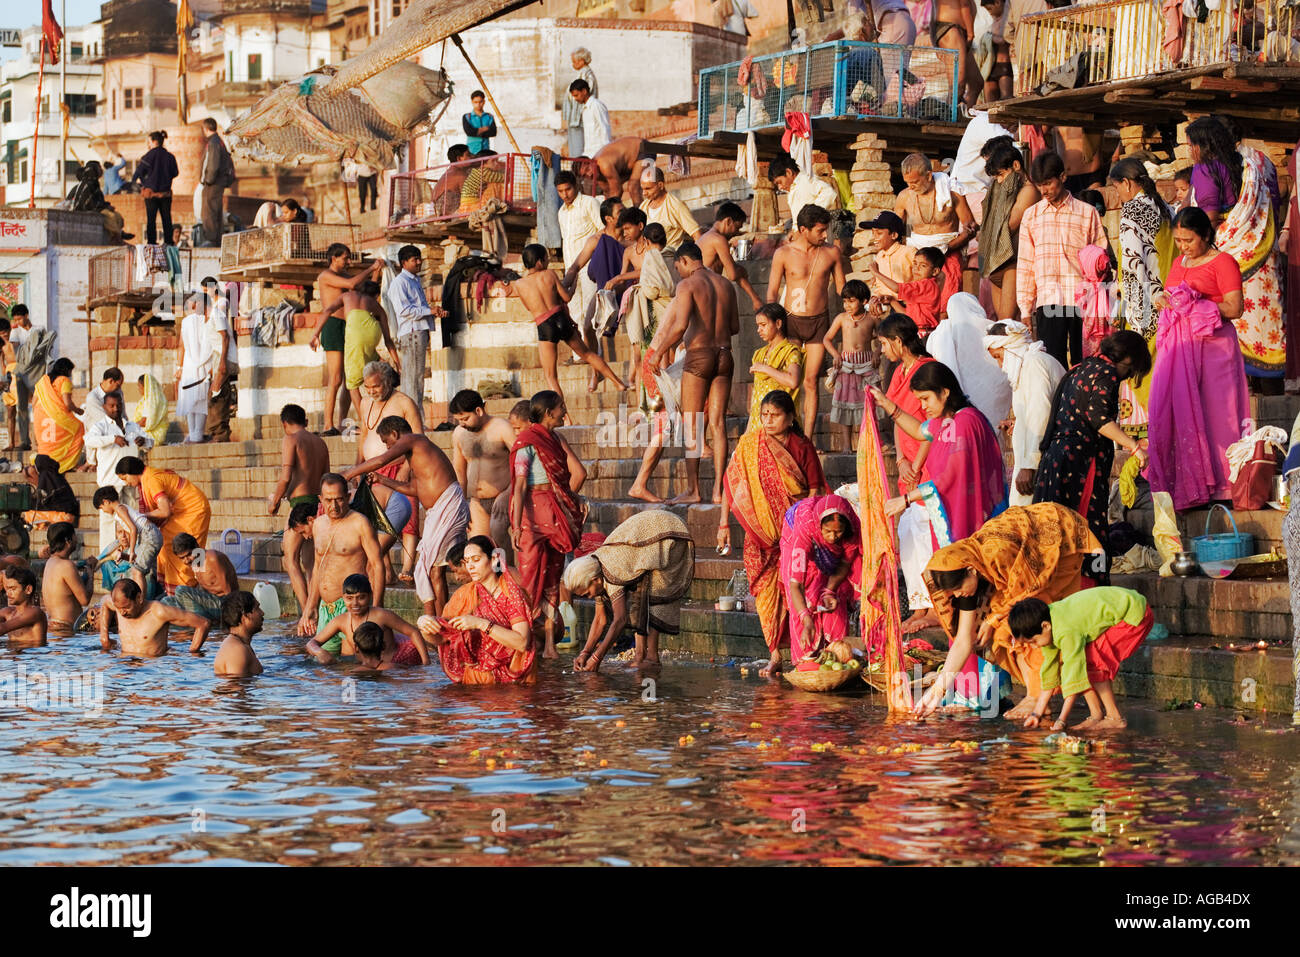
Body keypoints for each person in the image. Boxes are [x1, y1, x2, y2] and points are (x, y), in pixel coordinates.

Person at [917, 502, 1104, 717]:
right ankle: (1038, 693)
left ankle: (1036, 697)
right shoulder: (966, 574)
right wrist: (935, 693)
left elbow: (1031, 588)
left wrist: (994, 619)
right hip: (1019, 569)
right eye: (953, 594)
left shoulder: (997, 552)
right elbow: (963, 640)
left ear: (971, 570)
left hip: (1053, 541)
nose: (958, 596)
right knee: (997, 633)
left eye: (958, 590)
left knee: (1020, 622)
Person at [1146, 207, 1252, 512]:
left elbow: (1235, 307)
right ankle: (1193, 485)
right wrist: (1166, 301)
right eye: (1179, 240)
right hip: (1183, 350)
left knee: (1221, 415)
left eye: (1188, 240)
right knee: (1187, 415)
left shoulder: (1223, 262)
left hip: (1216, 349)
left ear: (1206, 235)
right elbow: (1170, 296)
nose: (1182, 246)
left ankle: (1227, 486)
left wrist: (1198, 303)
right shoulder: (1179, 262)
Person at [718, 390, 827, 677]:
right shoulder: (748, 446)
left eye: (775, 415)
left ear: (790, 418)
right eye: (764, 414)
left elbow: (815, 491)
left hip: (796, 534)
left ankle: (806, 652)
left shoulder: (802, 447)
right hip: (759, 537)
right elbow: (732, 485)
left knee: (796, 590)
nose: (767, 420)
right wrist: (723, 525)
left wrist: (805, 529)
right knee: (766, 593)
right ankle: (776, 654)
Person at [872, 360, 1006, 548]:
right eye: (920, 400)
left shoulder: (965, 423)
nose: (923, 406)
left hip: (971, 520)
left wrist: (906, 499)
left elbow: (950, 477)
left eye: (926, 399)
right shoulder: (949, 420)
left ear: (944, 392)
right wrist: (886, 404)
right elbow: (920, 431)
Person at [1033, 330, 1152, 542]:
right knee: (1083, 530)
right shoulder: (1107, 373)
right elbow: (1100, 419)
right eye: (1131, 369)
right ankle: (1085, 575)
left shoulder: (1081, 367)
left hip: (1056, 460)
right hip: (1079, 463)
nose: (1127, 376)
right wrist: (1134, 447)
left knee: (1054, 529)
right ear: (1128, 359)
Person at [344, 417, 468, 618]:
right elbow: (413, 489)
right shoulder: (416, 456)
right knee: (432, 569)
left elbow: (381, 460)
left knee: (430, 568)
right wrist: (382, 479)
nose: (388, 447)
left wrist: (348, 474)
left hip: (447, 506)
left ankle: (439, 622)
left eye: (387, 442)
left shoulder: (414, 440)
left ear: (394, 434)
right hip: (438, 510)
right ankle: (438, 621)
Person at [647, 241, 738, 504]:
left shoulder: (687, 285)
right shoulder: (725, 285)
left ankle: (694, 490)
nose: (679, 274)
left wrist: (657, 353)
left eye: (678, 268)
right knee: (718, 424)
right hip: (725, 355)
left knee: (693, 424)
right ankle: (719, 492)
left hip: (699, 356)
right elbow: (733, 326)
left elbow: (679, 325)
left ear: (685, 261)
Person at [1205, 115, 1287, 387]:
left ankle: (1254, 394)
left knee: (1246, 322)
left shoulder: (1240, 165)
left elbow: (1232, 211)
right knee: (1268, 322)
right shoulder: (1263, 161)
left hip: (1242, 253)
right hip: (1267, 250)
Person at [565, 509, 696, 672]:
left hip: (669, 532)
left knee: (655, 593)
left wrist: (597, 657)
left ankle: (652, 658)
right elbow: (600, 619)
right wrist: (585, 652)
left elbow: (620, 620)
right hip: (651, 535)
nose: (589, 597)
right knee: (639, 595)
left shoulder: (612, 570)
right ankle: (640, 656)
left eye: (587, 593)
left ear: (594, 580)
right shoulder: (598, 571)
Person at [509, 391, 586, 656]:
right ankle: (525, 641)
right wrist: (517, 525)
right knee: (530, 579)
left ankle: (551, 645)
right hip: (533, 511)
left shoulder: (555, 438)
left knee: (553, 575)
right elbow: (519, 486)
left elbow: (567, 481)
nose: (565, 411)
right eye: (561, 407)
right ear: (548, 412)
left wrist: (574, 500)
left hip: (554, 509)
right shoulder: (526, 441)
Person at [1010, 587, 1152, 731]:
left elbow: (1074, 676)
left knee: (1094, 660)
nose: (1034, 647)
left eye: (1033, 641)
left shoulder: (1066, 631)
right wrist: (1036, 714)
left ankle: (1114, 717)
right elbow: (1049, 673)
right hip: (1124, 608)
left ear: (1045, 626)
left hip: (1135, 613)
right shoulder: (1047, 623)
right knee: (1088, 659)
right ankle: (1096, 715)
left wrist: (1061, 720)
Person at [506, 244, 627, 408]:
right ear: (540, 262)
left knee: (551, 376)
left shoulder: (519, 284)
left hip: (544, 324)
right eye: (547, 258)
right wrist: (574, 282)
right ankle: (618, 383)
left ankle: (565, 416)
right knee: (588, 354)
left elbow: (529, 307)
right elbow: (566, 297)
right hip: (561, 318)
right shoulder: (549, 274)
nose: (548, 261)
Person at [1016, 150, 1105, 369]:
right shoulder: (1031, 215)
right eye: (1039, 185)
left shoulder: (1087, 213)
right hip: (1048, 299)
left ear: (1063, 177)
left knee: (1083, 362)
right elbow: (1026, 264)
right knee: (1052, 363)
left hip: (1081, 300)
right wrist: (1025, 308)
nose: (1044, 191)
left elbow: (1100, 258)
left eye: (1048, 183)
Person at [767, 204, 845, 438]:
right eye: (820, 231)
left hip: (819, 322)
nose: (825, 235)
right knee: (791, 381)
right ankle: (784, 432)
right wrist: (771, 324)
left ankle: (807, 439)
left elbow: (842, 289)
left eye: (826, 230)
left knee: (811, 381)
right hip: (791, 322)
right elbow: (772, 292)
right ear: (803, 229)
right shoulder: (783, 253)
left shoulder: (831, 253)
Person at [1109, 156, 1174, 437]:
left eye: (1117, 188)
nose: (1118, 195)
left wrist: (1130, 301)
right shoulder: (1165, 207)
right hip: (1168, 295)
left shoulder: (1133, 209)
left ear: (1127, 183)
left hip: (1143, 301)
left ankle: (1149, 426)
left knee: (1140, 361)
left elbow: (1134, 260)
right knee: (1162, 359)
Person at [418, 536, 537, 685]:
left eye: (476, 559)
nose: (470, 567)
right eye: (467, 562)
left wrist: (481, 624)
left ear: (493, 559)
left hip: (513, 684)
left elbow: (521, 642)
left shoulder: (511, 594)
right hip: (475, 682)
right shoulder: (464, 595)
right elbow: (443, 639)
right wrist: (425, 626)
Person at [984, 320, 1065, 507]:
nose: (999, 365)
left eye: (999, 356)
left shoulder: (1034, 363)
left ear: (1010, 347)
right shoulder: (1030, 363)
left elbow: (1041, 414)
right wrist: (1018, 422)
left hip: (1039, 463)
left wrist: (1030, 465)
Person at [295, 473, 384, 637]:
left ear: (348, 497)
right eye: (328, 500)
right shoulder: (318, 525)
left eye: (339, 499)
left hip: (352, 605)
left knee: (354, 659)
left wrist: (377, 608)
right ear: (320, 499)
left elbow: (377, 565)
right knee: (323, 658)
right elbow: (318, 568)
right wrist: (310, 606)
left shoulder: (360, 523)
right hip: (325, 608)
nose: (334, 506)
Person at [355, 361, 420, 584]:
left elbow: (418, 439)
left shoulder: (404, 402)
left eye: (376, 386)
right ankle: (387, 570)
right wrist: (358, 466)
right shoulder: (365, 403)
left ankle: (408, 568)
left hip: (400, 465)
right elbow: (363, 434)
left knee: (408, 519)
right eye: (367, 387)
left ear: (388, 381)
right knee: (375, 521)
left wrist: (406, 467)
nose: (371, 391)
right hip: (372, 469)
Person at [778, 494, 862, 664]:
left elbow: (845, 562)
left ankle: (837, 652)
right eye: (828, 531)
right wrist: (806, 619)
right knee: (807, 591)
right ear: (819, 526)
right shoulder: (805, 528)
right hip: (794, 533)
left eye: (838, 532)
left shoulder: (853, 527)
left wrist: (829, 591)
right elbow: (796, 585)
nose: (833, 537)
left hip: (827, 553)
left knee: (835, 596)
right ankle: (806, 657)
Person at [893, 152, 974, 313]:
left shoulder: (951, 193)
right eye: (907, 183)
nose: (911, 187)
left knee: (948, 308)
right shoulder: (904, 197)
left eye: (915, 182)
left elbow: (970, 228)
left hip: (948, 255)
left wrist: (945, 249)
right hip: (917, 257)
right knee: (918, 307)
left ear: (929, 176)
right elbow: (897, 230)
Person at [315, 244, 383, 435]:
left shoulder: (347, 277)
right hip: (333, 325)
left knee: (350, 379)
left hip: (351, 328)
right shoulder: (326, 276)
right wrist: (369, 268)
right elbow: (353, 285)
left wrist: (376, 271)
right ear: (334, 258)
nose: (348, 261)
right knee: (335, 378)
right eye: (345, 258)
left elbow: (365, 290)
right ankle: (328, 424)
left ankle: (342, 423)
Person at [115, 458, 212, 592]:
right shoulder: (148, 477)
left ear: (132, 472)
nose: (127, 483)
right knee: (171, 546)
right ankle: (192, 586)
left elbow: (165, 511)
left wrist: (140, 517)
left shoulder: (151, 480)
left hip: (193, 510)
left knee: (186, 549)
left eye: (125, 478)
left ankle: (189, 588)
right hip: (184, 510)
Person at [925, 291, 1013, 428]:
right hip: (991, 402)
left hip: (962, 408)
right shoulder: (992, 330)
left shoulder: (947, 333)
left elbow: (933, 350)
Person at [312, 280, 398, 418]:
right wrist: (397, 361)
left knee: (352, 384)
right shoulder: (375, 304)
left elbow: (327, 310)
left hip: (356, 340)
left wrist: (316, 334)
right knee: (380, 375)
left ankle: (365, 422)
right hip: (372, 338)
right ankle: (387, 412)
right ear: (375, 295)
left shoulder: (347, 296)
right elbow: (388, 340)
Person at [307, 573, 429, 665]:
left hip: (396, 661)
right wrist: (320, 652)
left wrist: (426, 664)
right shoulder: (341, 621)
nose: (355, 603)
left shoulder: (381, 615)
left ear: (370, 596)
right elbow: (311, 643)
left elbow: (413, 632)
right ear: (343, 598)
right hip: (368, 664)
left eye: (361, 598)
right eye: (349, 598)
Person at [450, 389, 515, 560]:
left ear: (479, 410)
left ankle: (507, 577)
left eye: (465, 418)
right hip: (477, 501)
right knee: (477, 547)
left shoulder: (502, 428)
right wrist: (461, 503)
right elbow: (459, 470)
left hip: (503, 495)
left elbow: (522, 464)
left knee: (499, 536)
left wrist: (508, 493)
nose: (462, 424)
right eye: (459, 420)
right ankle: (485, 585)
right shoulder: (459, 433)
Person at [85, 390, 152, 549]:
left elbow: (150, 443)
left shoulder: (132, 426)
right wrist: (112, 439)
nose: (115, 408)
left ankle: (131, 552)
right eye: (111, 406)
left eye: (118, 405)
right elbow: (89, 440)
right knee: (108, 523)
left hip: (129, 481)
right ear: (104, 407)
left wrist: (143, 441)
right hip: (109, 483)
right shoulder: (101, 426)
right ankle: (108, 559)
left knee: (130, 518)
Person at [980, 142, 1040, 320]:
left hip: (1014, 263)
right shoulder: (1003, 191)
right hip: (997, 264)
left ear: (1016, 165)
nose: (999, 181)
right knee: (1003, 323)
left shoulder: (1029, 191)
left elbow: (1008, 225)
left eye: (1001, 175)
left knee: (1008, 322)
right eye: (995, 177)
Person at [822, 279, 879, 452]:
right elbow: (826, 339)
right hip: (846, 365)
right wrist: (836, 354)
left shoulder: (872, 319)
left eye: (851, 301)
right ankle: (847, 446)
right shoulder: (841, 318)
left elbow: (884, 338)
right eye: (845, 301)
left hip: (866, 364)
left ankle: (868, 445)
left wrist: (877, 352)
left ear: (864, 301)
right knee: (845, 405)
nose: (847, 305)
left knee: (868, 404)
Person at [99, 578, 211, 657]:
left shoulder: (159, 611)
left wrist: (192, 652)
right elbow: (105, 601)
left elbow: (203, 623)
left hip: (152, 673)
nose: (122, 613)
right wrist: (104, 638)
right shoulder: (119, 605)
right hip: (124, 668)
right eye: (119, 609)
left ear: (139, 598)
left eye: (126, 607)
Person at [389, 244, 441, 409]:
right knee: (413, 379)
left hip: (419, 332)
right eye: (414, 260)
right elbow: (404, 310)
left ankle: (413, 418)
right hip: (412, 333)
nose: (418, 262)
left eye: (419, 259)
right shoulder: (400, 283)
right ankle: (414, 419)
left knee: (414, 378)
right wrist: (429, 311)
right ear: (404, 263)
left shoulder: (414, 280)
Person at [746, 303, 804, 433]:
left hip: (780, 426)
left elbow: (793, 381)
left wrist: (766, 369)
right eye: (758, 326)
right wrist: (747, 432)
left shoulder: (791, 351)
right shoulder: (759, 354)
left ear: (778, 324)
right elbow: (756, 398)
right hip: (758, 426)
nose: (758, 330)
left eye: (763, 325)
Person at [93, 485, 162, 594]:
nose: (104, 511)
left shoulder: (120, 509)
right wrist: (128, 555)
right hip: (149, 535)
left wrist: (132, 551)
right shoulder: (120, 509)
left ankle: (141, 602)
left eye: (101, 508)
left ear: (106, 502)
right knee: (139, 567)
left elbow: (133, 529)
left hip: (149, 535)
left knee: (137, 571)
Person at [698, 202, 763, 312]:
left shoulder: (706, 237)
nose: (736, 232)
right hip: (705, 295)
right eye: (737, 227)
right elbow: (733, 275)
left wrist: (755, 298)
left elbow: (734, 271)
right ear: (728, 221)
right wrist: (741, 270)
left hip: (703, 294)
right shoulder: (718, 239)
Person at [871, 246, 946, 333]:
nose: (916, 268)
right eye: (915, 263)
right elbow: (908, 315)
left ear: (935, 271)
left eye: (923, 265)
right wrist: (892, 301)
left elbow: (896, 288)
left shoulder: (926, 285)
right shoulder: (923, 288)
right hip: (918, 331)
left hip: (923, 333)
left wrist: (876, 273)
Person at [201, 278, 237, 444]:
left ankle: (220, 434)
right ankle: (217, 433)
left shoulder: (219, 307)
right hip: (217, 356)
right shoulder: (212, 312)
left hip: (224, 356)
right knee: (216, 393)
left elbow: (225, 337)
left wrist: (222, 363)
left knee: (218, 394)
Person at [40, 522, 92, 637]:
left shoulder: (51, 562)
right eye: (74, 537)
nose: (76, 540)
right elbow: (84, 600)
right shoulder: (67, 565)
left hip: (54, 627)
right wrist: (90, 573)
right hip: (65, 629)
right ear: (68, 540)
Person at [33, 357, 84, 472]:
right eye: (70, 371)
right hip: (58, 417)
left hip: (40, 417)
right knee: (80, 429)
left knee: (47, 444)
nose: (70, 374)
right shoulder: (64, 380)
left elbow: (34, 402)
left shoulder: (42, 381)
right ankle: (66, 463)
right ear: (66, 370)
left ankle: (45, 464)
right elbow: (67, 403)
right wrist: (78, 410)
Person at [860, 211, 915, 318]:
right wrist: (874, 298)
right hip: (890, 308)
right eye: (873, 233)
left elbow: (920, 284)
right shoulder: (880, 256)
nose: (874, 237)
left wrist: (875, 272)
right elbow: (880, 286)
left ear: (894, 235)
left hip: (908, 306)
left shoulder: (909, 252)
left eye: (879, 233)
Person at [176, 292, 211, 443]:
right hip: (205, 363)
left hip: (189, 365)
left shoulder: (186, 322)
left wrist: (179, 366)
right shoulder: (209, 320)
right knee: (201, 400)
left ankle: (193, 433)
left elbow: (181, 346)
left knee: (189, 398)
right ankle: (197, 434)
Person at [638, 166, 701, 252]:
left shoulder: (676, 205)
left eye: (648, 188)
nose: (644, 193)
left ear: (660, 185)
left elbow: (697, 235)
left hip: (671, 259)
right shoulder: (643, 207)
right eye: (642, 189)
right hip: (649, 260)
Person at [133, 130, 179, 245]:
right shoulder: (170, 157)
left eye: (149, 141)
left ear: (154, 141)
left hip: (150, 194)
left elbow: (138, 173)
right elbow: (175, 172)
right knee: (167, 220)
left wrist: (144, 182)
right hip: (165, 194)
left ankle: (151, 243)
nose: (148, 144)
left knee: (151, 220)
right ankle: (168, 243)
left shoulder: (148, 156)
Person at [768, 154, 839, 226]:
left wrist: (810, 216)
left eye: (779, 182)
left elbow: (829, 193)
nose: (780, 187)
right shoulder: (792, 189)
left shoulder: (806, 180)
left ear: (788, 172)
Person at [198, 117, 236, 246]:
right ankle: (217, 239)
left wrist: (208, 180)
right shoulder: (219, 141)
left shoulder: (213, 143)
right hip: (220, 182)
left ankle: (211, 239)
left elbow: (213, 164)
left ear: (206, 128)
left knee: (209, 211)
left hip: (213, 183)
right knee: (216, 210)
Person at [591, 137, 656, 204]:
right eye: (585, 175)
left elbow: (617, 190)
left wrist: (610, 209)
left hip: (645, 149)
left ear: (589, 163)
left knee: (633, 187)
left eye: (588, 169)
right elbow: (608, 193)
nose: (589, 174)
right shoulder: (595, 174)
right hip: (630, 162)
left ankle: (639, 213)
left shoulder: (603, 164)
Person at [21, 454, 79, 528]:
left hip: (64, 517)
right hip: (68, 514)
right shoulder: (56, 475)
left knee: (29, 513)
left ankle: (43, 525)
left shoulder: (45, 476)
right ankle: (44, 524)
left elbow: (42, 501)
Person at [215, 591, 264, 678]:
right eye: (257, 608)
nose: (262, 613)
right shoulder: (237, 650)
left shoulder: (240, 644)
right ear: (245, 615)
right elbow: (234, 688)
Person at [0, 566, 47, 646]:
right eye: (7, 589)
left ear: (28, 589)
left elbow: (2, 629)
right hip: (14, 655)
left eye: (13, 589)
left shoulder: (35, 612)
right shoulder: (7, 612)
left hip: (32, 656)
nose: (8, 594)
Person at [564, 48, 598, 158]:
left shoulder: (587, 76)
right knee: (574, 149)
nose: (573, 64)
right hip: (575, 119)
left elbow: (583, 97)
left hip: (579, 119)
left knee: (578, 150)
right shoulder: (582, 74)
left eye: (575, 61)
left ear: (582, 61)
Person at [569, 78, 611, 156]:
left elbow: (604, 127)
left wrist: (607, 152)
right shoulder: (585, 109)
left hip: (600, 152)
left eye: (576, 95)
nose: (575, 99)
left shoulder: (596, 105)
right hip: (589, 152)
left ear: (584, 91)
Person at [135, 373, 168, 446]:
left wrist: (132, 426)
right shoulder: (160, 398)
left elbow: (144, 422)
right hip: (160, 433)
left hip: (152, 435)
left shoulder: (150, 401)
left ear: (146, 387)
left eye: (139, 386)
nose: (138, 389)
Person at [462, 90, 497, 155]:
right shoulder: (467, 117)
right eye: (475, 102)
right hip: (472, 151)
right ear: (472, 102)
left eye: (480, 102)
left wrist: (476, 132)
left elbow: (493, 132)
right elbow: (469, 132)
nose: (478, 104)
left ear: (484, 102)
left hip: (485, 150)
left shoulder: (489, 116)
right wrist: (485, 129)